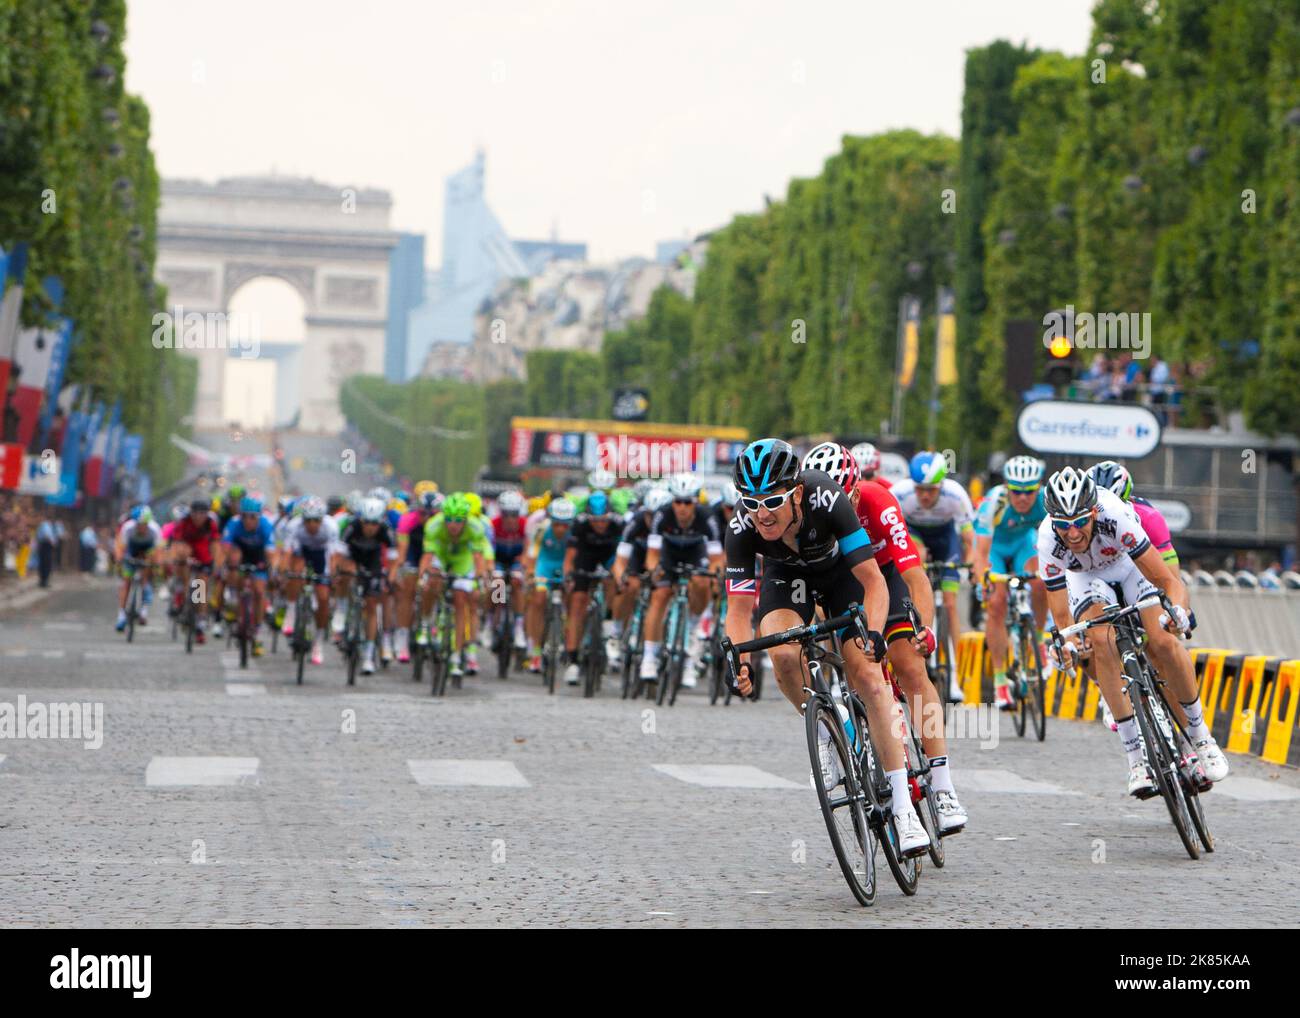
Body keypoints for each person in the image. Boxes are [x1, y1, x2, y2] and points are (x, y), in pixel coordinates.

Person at [724, 438, 930, 855]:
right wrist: (739, 659)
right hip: (787, 578)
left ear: (796, 493)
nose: (761, 514)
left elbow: (874, 581)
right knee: (782, 654)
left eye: (773, 501)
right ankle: (823, 725)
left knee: (869, 679)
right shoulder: (742, 527)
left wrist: (872, 633)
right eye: (750, 501)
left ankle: (905, 808)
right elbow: (738, 608)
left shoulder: (826, 497)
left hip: (842, 576)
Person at [1037, 467, 1229, 797]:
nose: (1072, 533)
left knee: (1163, 641)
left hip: (1128, 568)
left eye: (1080, 522)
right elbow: (1061, 616)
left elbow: (1169, 581)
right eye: (1063, 525)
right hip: (1086, 580)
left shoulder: (1117, 517)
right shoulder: (1048, 541)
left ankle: (1201, 737)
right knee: (1101, 640)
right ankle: (1137, 759)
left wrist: (1179, 611)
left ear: (1094, 511)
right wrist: (1068, 644)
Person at [970, 455, 1049, 710]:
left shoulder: (1047, 500)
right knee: (996, 603)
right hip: (994, 548)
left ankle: (1038, 639)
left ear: (1038, 487)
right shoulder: (995, 501)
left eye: (1029, 491)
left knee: (1040, 582)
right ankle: (1001, 681)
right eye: (1017, 491)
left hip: (1023, 544)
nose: (1023, 497)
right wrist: (983, 579)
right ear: (1007, 487)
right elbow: (980, 553)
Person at [35, 517, 56, 588]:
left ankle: (43, 580)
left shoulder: (43, 525)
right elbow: (47, 536)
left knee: (44, 564)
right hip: (46, 546)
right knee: (46, 564)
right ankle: (44, 581)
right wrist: (52, 542)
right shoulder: (46, 525)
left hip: (43, 546)